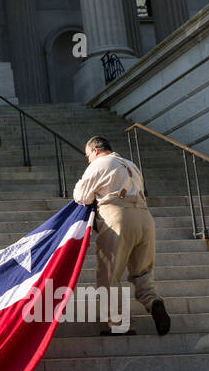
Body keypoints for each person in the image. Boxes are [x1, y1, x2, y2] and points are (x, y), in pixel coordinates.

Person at [73, 135, 171, 337]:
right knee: (142, 271)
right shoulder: (131, 164)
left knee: (110, 273)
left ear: (95, 150)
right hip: (145, 218)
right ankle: (152, 301)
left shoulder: (100, 163)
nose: (88, 160)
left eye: (87, 156)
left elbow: (81, 196)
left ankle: (120, 323)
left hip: (118, 217)